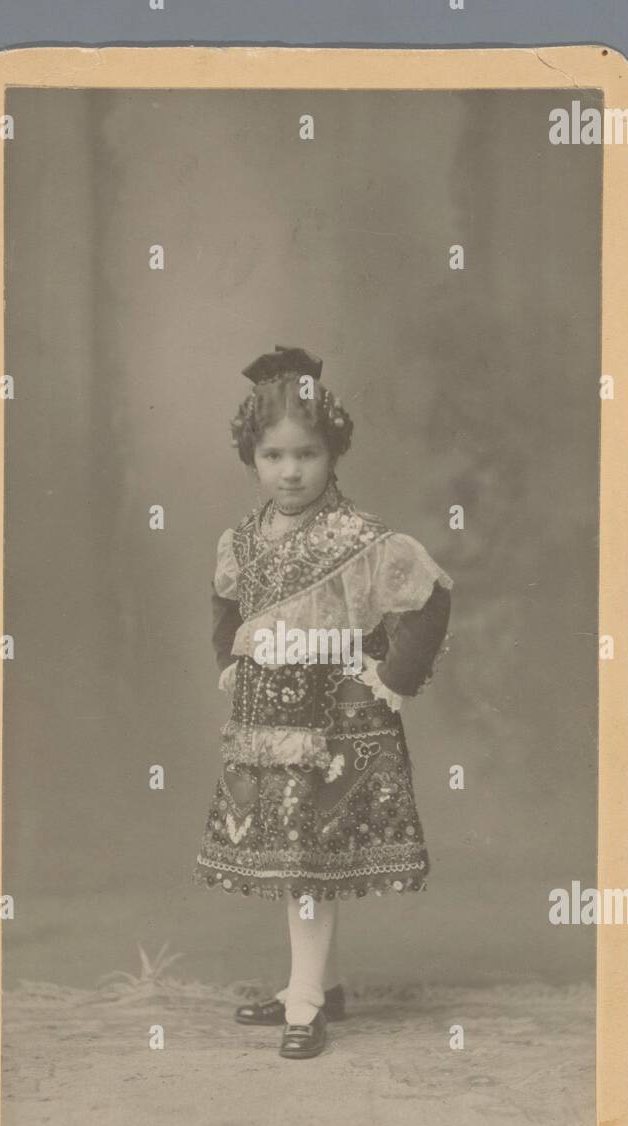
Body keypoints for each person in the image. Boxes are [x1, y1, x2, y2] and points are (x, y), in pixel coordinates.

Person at [193, 345, 453, 1059]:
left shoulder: (362, 539)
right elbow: (225, 604)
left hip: (333, 721)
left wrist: (395, 678)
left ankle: (304, 999)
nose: (289, 471)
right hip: (264, 720)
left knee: (308, 860)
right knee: (290, 857)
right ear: (251, 456)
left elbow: (429, 598)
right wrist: (228, 662)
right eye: (273, 455)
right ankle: (320, 982)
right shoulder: (241, 541)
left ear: (332, 454)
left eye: (306, 454)